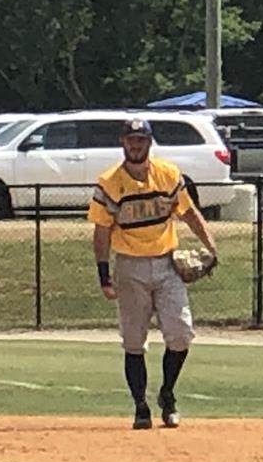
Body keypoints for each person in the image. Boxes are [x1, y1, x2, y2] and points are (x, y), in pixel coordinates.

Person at [90, 117, 221, 429]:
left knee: (180, 334)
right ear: (122, 142)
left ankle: (167, 393)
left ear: (150, 142)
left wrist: (211, 246)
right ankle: (140, 407)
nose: (136, 145)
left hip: (166, 262)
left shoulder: (168, 174)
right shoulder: (109, 182)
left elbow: (187, 211)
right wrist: (103, 275)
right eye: (131, 139)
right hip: (129, 265)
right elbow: (101, 232)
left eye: (141, 139)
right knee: (134, 341)